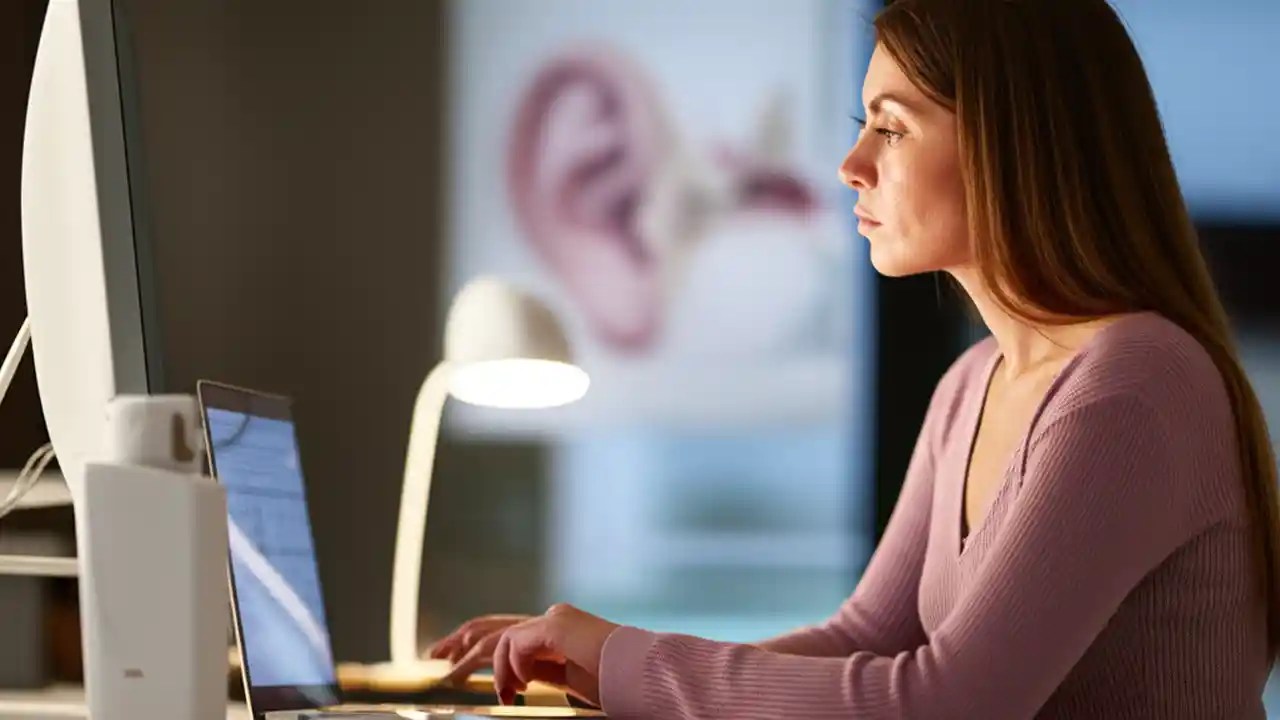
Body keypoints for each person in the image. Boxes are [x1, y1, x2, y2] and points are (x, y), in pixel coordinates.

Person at [426, 0, 1280, 717]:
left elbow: (951, 703)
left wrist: (626, 660)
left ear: (1012, 143)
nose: (851, 165)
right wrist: (594, 666)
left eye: (891, 128)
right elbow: (864, 638)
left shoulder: (1132, 386)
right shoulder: (971, 386)